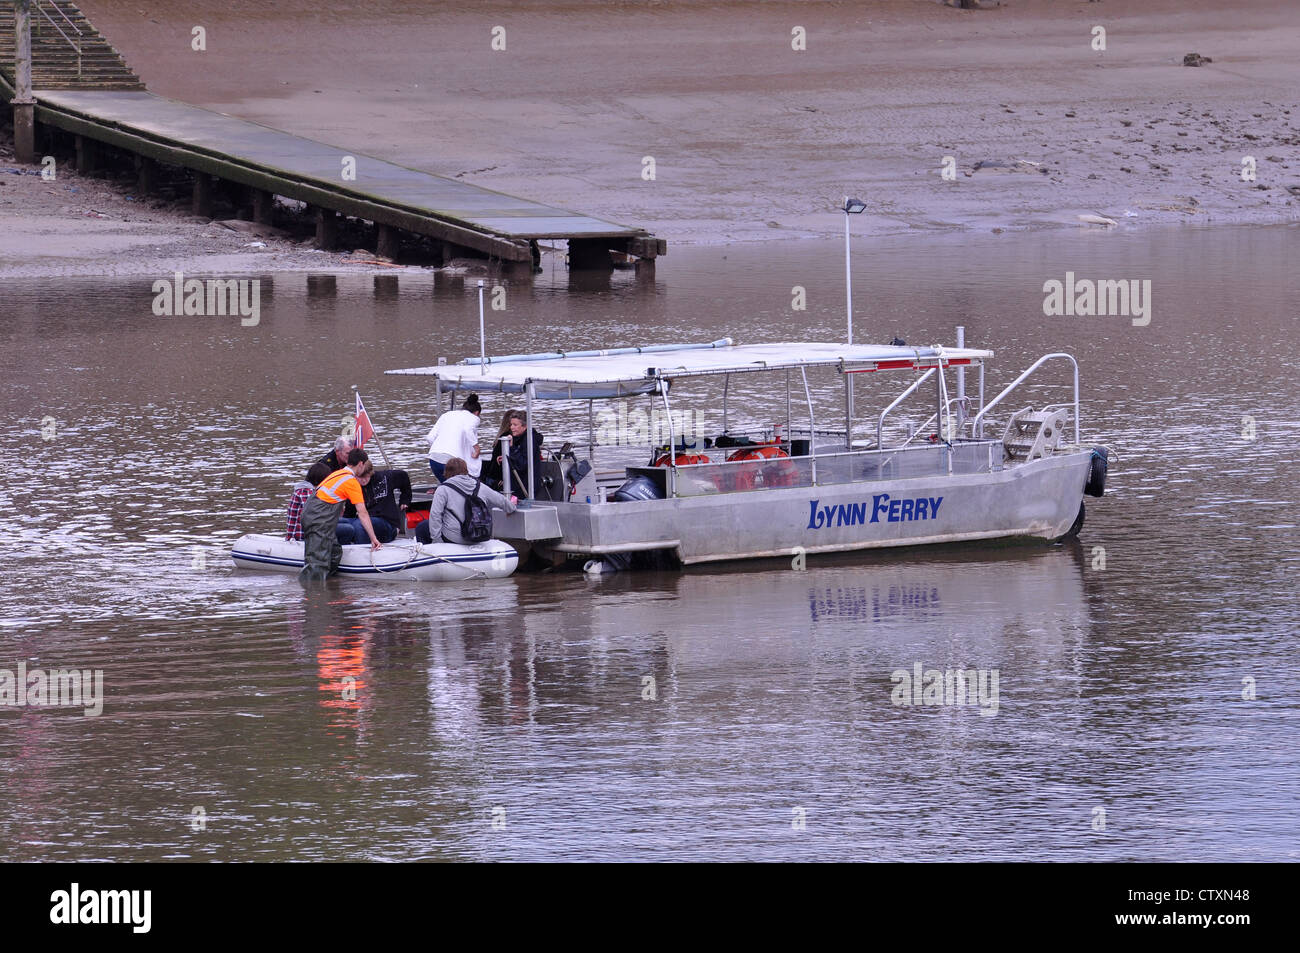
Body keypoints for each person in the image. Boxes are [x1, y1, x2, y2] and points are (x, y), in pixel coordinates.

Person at [300, 449, 382, 580]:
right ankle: (312, 593)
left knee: (335, 553)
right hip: (319, 520)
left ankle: (327, 590)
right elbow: (363, 513)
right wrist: (373, 539)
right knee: (316, 565)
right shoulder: (351, 482)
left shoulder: (337, 474)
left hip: (312, 515)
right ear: (360, 464)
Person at [414, 457, 516, 545]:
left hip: (453, 537)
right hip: (478, 535)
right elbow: (502, 501)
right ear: (466, 470)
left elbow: (435, 515)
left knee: (422, 527)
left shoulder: (443, 489)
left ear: (447, 472)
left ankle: (429, 556)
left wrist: (437, 541)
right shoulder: (480, 486)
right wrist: (511, 508)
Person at [339, 466, 411, 544]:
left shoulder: (385, 477)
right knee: (339, 522)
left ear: (370, 473)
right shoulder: (353, 486)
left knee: (360, 524)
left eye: (366, 476)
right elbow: (350, 513)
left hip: (388, 523)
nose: (363, 480)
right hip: (366, 520)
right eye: (360, 477)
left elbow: (403, 476)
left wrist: (405, 500)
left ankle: (363, 551)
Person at [426, 394, 482, 481]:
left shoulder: (446, 415)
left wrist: (441, 449)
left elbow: (429, 437)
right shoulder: (474, 418)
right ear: (477, 413)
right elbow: (468, 430)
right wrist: (477, 449)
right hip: (452, 463)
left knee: (447, 488)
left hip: (434, 459)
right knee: (459, 490)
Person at [498, 410, 544, 499]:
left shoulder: (530, 441)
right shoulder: (518, 438)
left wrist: (511, 448)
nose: (511, 428)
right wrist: (507, 457)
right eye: (511, 424)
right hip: (518, 484)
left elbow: (523, 464)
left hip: (526, 486)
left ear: (525, 426)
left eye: (515, 425)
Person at [286, 462, 333, 541]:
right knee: (347, 530)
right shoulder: (306, 492)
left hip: (304, 531)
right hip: (299, 536)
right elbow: (315, 515)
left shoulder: (307, 490)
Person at [478, 410, 514, 490]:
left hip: (491, 475)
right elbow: (503, 461)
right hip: (498, 478)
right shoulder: (507, 437)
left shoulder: (500, 437)